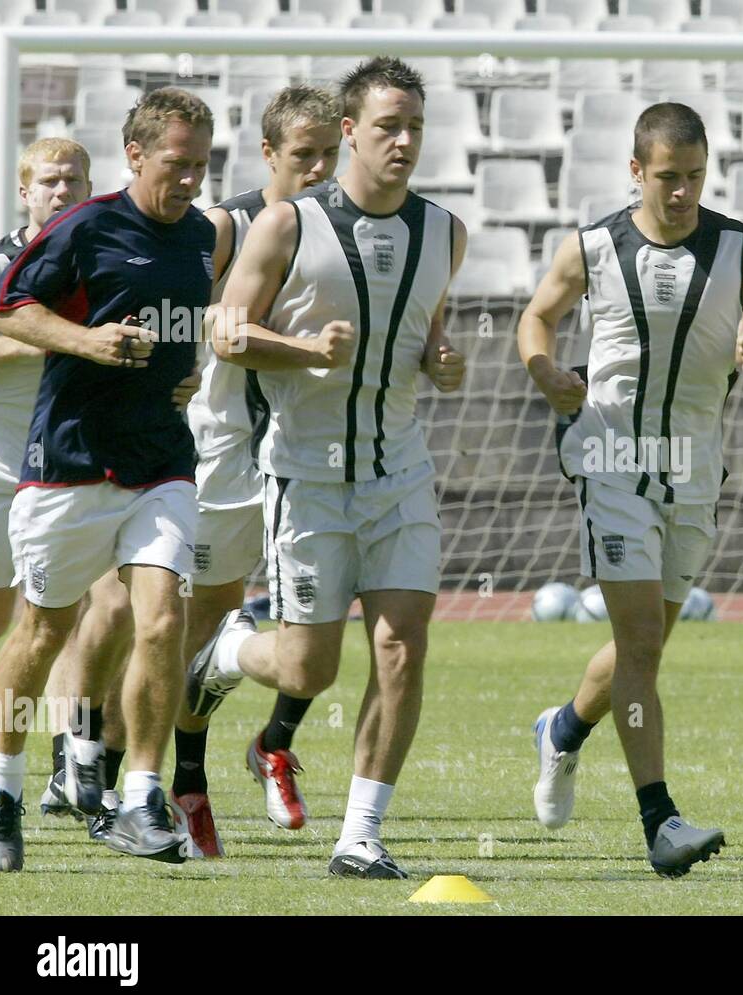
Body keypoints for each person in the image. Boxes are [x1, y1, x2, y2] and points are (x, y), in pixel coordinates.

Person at [185, 57, 466, 880]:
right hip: (306, 474)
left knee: (402, 647)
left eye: (414, 126)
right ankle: (230, 651)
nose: (404, 141)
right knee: (311, 666)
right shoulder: (286, 225)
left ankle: (362, 833)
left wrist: (445, 361)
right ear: (349, 131)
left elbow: (429, 337)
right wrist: (305, 349)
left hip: (401, 471)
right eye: (388, 126)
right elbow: (227, 334)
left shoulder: (445, 231)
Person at [518, 102, 743, 877]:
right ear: (636, 171)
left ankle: (563, 731)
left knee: (645, 646)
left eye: (695, 177)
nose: (682, 192)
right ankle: (659, 820)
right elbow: (536, 317)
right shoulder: (595, 246)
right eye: (668, 177)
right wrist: (544, 370)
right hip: (609, 458)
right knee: (640, 644)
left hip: (695, 469)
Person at [0, 87, 217, 870]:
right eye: (178, 164)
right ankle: (2, 790)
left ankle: (143, 796)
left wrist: (188, 375)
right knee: (41, 631)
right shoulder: (83, 227)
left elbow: (184, 326)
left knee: (161, 615)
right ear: (138, 156)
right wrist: (85, 343)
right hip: (69, 462)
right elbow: (7, 305)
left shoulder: (202, 237)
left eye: (202, 165)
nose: (190, 179)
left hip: (161, 461)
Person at [170, 84, 343, 858]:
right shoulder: (227, 225)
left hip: (318, 453)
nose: (318, 170)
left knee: (327, 619)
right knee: (203, 620)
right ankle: (185, 782)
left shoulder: (350, 231)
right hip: (226, 450)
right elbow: (197, 317)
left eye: (329, 155)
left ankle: (274, 743)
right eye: (303, 156)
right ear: (270, 155)